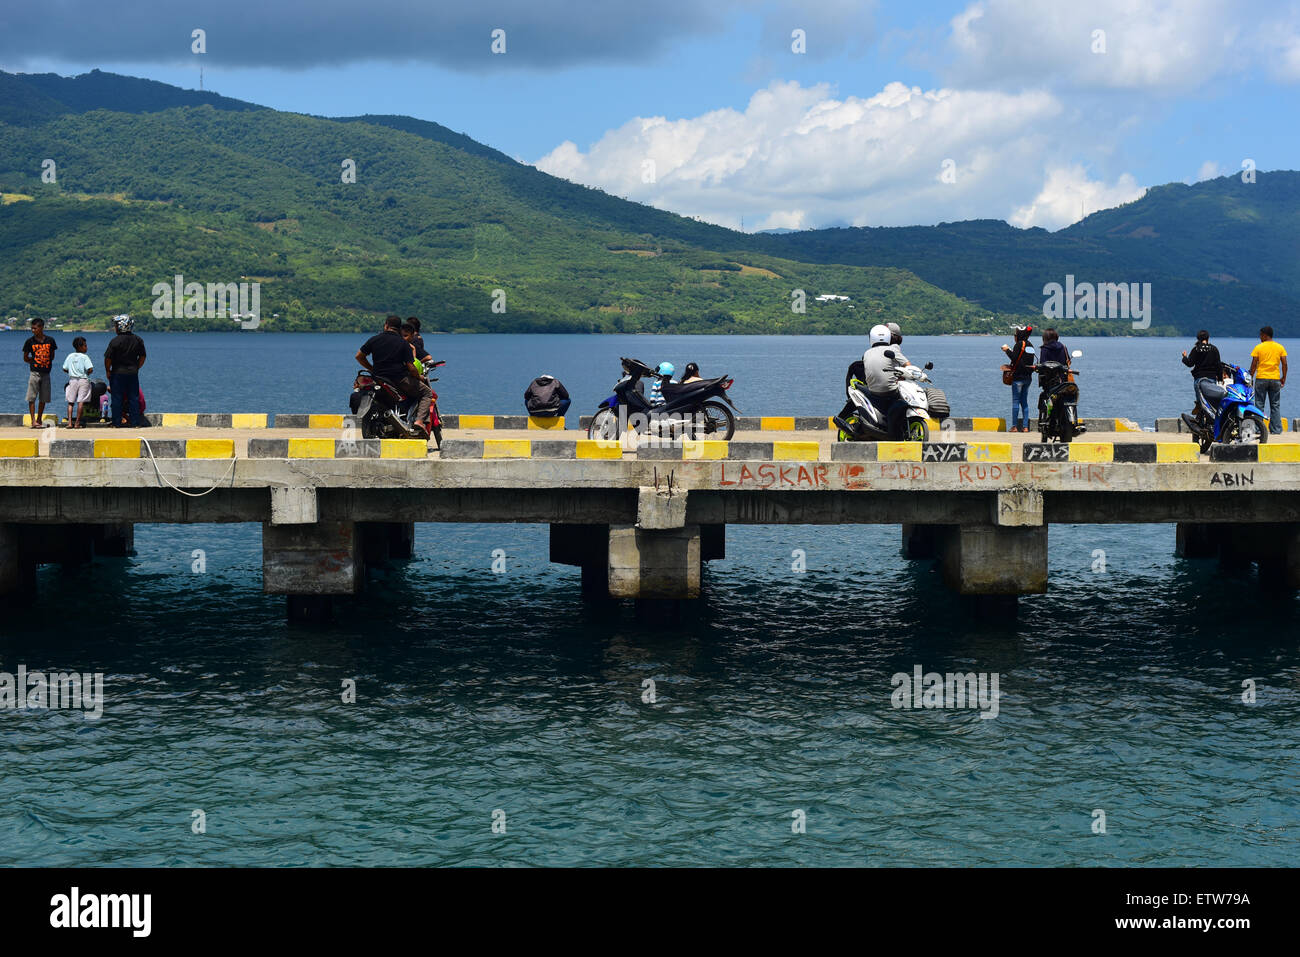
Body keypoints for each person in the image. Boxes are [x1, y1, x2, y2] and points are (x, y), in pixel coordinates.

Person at [356, 314, 430, 437]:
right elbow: (411, 367)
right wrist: (419, 377)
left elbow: (359, 356)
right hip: (399, 379)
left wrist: (371, 368)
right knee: (426, 393)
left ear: (386, 326)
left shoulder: (374, 339)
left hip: (378, 378)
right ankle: (419, 421)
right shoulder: (403, 343)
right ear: (399, 328)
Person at [861, 324, 908, 438]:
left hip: (873, 389)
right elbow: (908, 365)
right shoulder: (892, 349)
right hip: (890, 390)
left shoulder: (867, 353)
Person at [103, 314, 148, 428]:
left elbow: (108, 358)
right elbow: (142, 356)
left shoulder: (115, 341)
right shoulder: (138, 340)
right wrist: (137, 367)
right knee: (134, 398)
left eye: (116, 326)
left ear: (121, 326)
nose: (115, 328)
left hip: (117, 373)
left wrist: (108, 370)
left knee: (117, 398)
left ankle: (116, 423)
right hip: (132, 373)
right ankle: (135, 423)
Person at [1248, 326, 1288, 435]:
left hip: (1261, 378)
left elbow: (1254, 364)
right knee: (1275, 405)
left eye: (1261, 335)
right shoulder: (1280, 347)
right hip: (1275, 379)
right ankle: (1276, 430)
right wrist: (1284, 377)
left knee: (1259, 404)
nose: (1260, 337)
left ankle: (1258, 429)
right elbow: (1284, 363)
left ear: (1265, 335)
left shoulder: (1259, 348)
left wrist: (1250, 377)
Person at [22, 318, 58, 428]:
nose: (33, 330)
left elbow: (52, 356)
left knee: (44, 398)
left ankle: (39, 419)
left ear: (41, 327)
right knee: (31, 397)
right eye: (32, 328)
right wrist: (34, 362)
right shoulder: (30, 341)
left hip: (46, 373)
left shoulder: (50, 340)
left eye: (35, 328)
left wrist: (45, 362)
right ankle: (33, 421)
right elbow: (25, 357)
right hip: (34, 372)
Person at [1001, 326, 1035, 432]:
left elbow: (1015, 358)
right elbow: (1026, 360)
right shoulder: (1030, 345)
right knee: (1024, 402)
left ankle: (1014, 426)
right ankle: (1025, 427)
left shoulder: (1019, 344)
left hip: (1018, 378)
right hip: (1028, 378)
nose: (1014, 337)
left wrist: (1007, 350)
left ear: (1019, 335)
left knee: (1015, 401)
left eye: (1015, 335)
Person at [1181, 330, 1222, 414]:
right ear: (1208, 338)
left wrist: (1184, 357)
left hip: (1199, 379)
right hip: (1212, 379)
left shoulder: (1196, 349)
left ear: (1198, 338)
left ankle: (1200, 416)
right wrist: (1220, 379)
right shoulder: (1214, 349)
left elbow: (1190, 363)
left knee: (1201, 402)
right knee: (1211, 401)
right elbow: (1218, 365)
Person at [62, 337, 94, 429]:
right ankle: (77, 423)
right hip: (83, 380)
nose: (86, 347)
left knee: (70, 402)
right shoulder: (85, 357)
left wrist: (71, 372)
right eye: (85, 345)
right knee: (81, 401)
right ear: (80, 347)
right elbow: (90, 369)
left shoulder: (70, 356)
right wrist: (87, 373)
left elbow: (64, 368)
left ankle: (69, 423)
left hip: (72, 380)